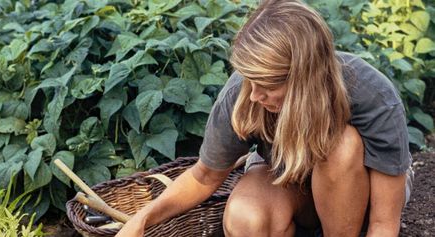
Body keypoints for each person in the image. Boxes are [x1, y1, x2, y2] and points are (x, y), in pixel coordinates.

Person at [115, 0, 413, 236]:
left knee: (341, 145)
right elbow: (204, 176)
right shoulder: (245, 91)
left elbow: (383, 225)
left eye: (268, 85)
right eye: (250, 81)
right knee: (248, 216)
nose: (255, 95)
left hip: (356, 196)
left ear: (304, 80)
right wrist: (142, 221)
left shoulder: (374, 98)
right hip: (286, 178)